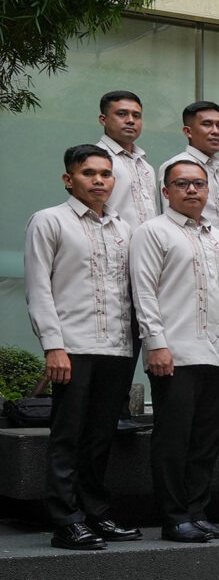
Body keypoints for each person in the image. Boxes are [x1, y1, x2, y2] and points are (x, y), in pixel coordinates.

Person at [28, 146, 139, 550]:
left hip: (116, 347)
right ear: (68, 179)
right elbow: (39, 288)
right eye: (88, 173)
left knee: (100, 436)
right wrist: (52, 346)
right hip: (72, 346)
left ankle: (94, 512)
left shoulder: (125, 228)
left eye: (105, 174)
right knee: (68, 436)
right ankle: (65, 521)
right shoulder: (49, 221)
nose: (98, 180)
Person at [131, 159, 219, 543]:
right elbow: (144, 292)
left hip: (214, 354)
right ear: (166, 191)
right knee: (174, 440)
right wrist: (155, 344)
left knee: (206, 440)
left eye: (198, 184)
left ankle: (197, 511)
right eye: (182, 184)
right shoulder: (152, 231)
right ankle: (174, 517)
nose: (192, 190)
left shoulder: (215, 236)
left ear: (208, 191)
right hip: (174, 354)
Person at [161, 101, 219, 237]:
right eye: (207, 124)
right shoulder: (175, 166)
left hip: (217, 250)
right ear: (188, 131)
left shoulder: (216, 169)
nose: (215, 131)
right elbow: (171, 220)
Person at [96, 90, 157, 231]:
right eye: (122, 114)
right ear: (103, 120)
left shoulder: (146, 166)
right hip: (112, 247)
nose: (130, 120)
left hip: (149, 249)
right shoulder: (95, 160)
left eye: (136, 116)